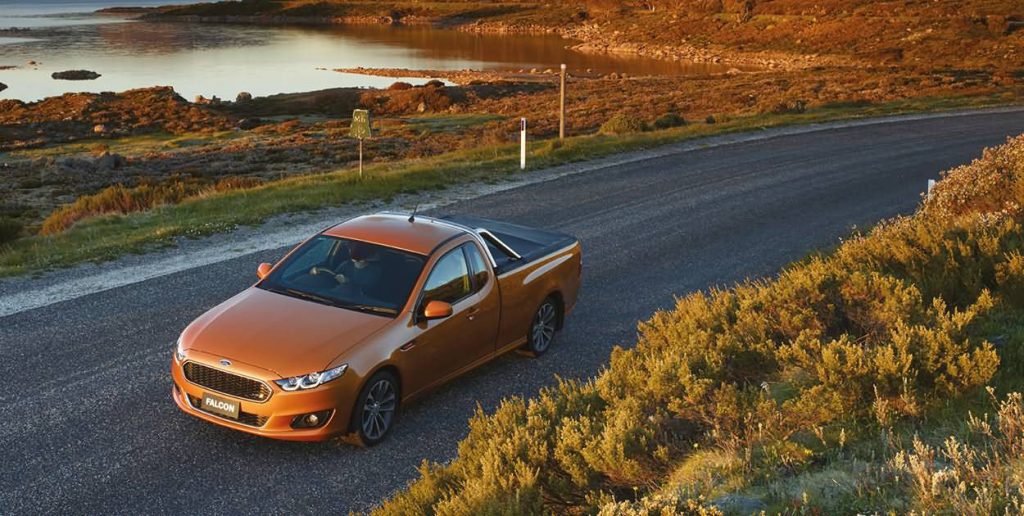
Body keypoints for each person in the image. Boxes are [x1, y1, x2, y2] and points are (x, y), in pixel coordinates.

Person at [311, 241, 382, 297]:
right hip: (335, 295)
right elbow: (333, 276)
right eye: (351, 250)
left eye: (356, 251)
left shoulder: (374, 271)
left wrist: (347, 282)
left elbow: (366, 292)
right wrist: (319, 272)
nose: (350, 252)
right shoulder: (346, 264)